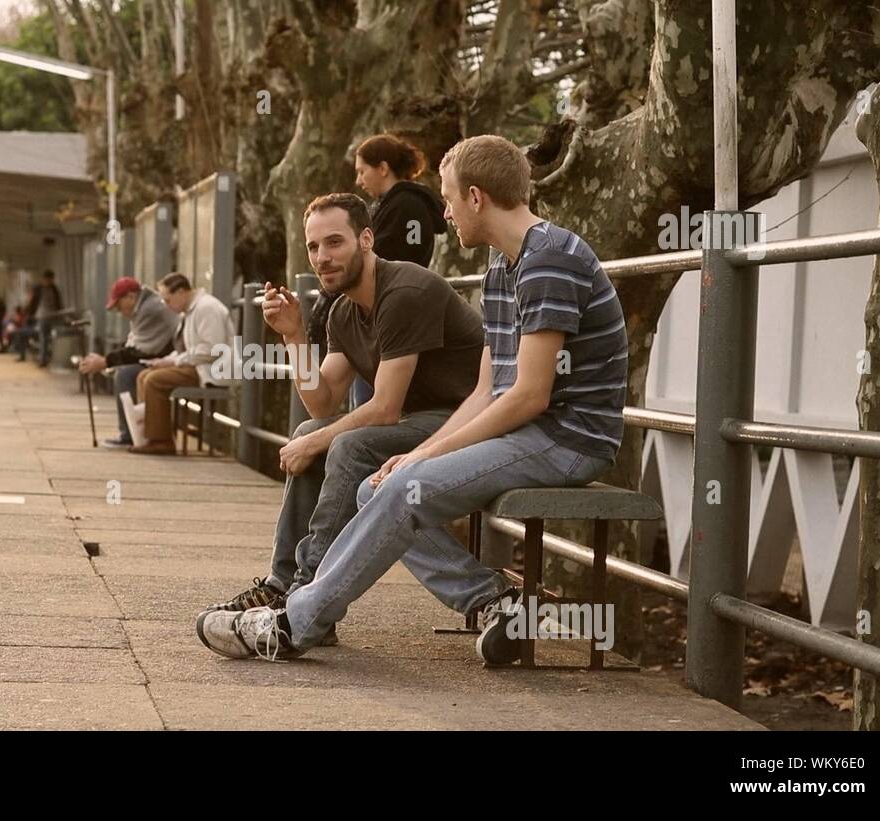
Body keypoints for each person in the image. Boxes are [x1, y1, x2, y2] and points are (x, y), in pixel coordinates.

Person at [195, 134, 629, 665]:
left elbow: (531, 395)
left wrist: (423, 454)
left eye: (446, 199)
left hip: (569, 439)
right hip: (521, 428)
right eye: (314, 247)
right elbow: (487, 390)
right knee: (375, 488)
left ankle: (294, 620)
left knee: (395, 482)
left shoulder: (550, 261)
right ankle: (500, 602)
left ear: (475, 196)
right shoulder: (500, 267)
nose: (443, 213)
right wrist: (293, 337)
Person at [199, 192, 487, 647]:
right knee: (310, 432)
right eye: (314, 247)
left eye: (334, 243)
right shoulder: (343, 311)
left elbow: (385, 408)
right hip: (422, 423)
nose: (322, 258)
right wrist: (293, 334)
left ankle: (302, 599)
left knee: (344, 444)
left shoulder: (405, 290)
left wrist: (316, 444)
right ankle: (281, 585)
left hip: (467, 424)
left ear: (366, 239)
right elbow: (323, 403)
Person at [310, 133, 449, 408]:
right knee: (354, 413)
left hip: (385, 321)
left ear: (383, 168)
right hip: (371, 317)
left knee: (367, 414)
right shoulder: (390, 206)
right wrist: (294, 337)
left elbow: (400, 258)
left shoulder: (407, 206)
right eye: (313, 247)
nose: (359, 180)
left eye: (362, 171)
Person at [126, 273, 236, 455]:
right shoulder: (191, 310)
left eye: (167, 300)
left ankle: (161, 440)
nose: (166, 305)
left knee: (154, 380)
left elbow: (212, 349)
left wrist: (174, 361)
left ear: (181, 292)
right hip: (200, 366)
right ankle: (147, 435)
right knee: (144, 375)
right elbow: (188, 348)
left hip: (213, 370)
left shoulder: (206, 308)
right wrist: (166, 360)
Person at [77, 276, 181, 448]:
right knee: (128, 372)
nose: (119, 311)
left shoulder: (149, 309)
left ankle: (130, 436)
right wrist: (107, 360)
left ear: (131, 297)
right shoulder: (142, 308)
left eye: (119, 305)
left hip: (173, 359)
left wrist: (105, 361)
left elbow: (142, 351)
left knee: (125, 375)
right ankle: (139, 433)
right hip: (167, 357)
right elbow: (135, 346)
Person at [24, 270, 64, 366]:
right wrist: (30, 314)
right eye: (48, 279)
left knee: (54, 337)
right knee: (43, 338)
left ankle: (53, 358)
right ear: (44, 279)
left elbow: (58, 302)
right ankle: (43, 359)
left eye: (51, 279)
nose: (49, 281)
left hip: (54, 315)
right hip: (42, 316)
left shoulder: (54, 289)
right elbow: (33, 303)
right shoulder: (38, 289)